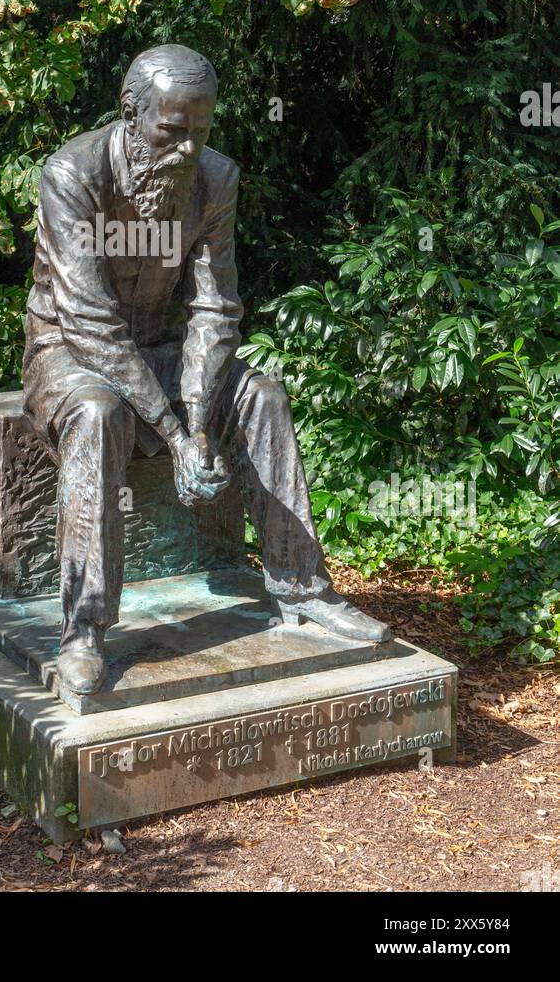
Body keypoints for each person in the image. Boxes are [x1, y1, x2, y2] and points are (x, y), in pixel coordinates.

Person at [22, 44, 390, 694]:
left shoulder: (216, 179)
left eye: (201, 130)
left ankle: (302, 586)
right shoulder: (72, 175)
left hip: (162, 354)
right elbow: (90, 323)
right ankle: (84, 628)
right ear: (130, 114)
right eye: (172, 130)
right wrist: (172, 430)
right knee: (97, 411)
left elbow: (216, 308)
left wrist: (196, 421)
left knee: (263, 397)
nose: (187, 148)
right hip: (70, 354)